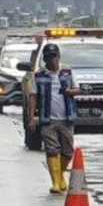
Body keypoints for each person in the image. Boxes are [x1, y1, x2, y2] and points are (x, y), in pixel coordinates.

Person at [28, 43, 80, 194]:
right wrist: (31, 118)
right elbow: (33, 97)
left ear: (58, 57)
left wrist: (71, 91)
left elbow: (78, 89)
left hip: (67, 118)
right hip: (47, 119)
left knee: (68, 152)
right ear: (45, 60)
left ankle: (60, 175)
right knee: (52, 150)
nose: (52, 61)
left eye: (54, 58)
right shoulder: (38, 76)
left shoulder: (68, 73)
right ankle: (55, 182)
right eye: (48, 58)